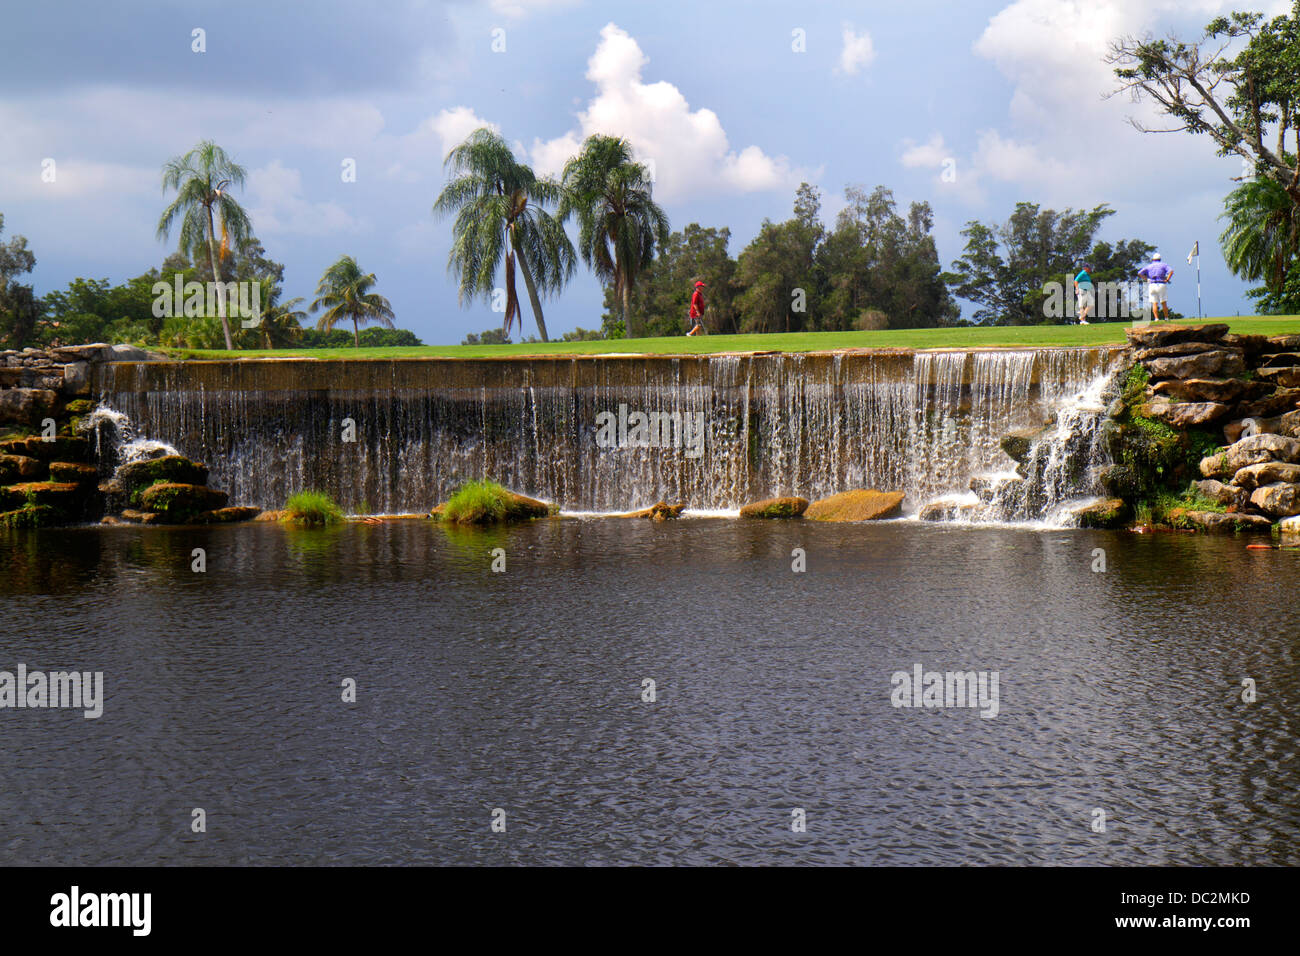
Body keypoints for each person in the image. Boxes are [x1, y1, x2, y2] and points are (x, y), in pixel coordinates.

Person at [1137, 252, 1173, 322]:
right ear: (1160, 259)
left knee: (1154, 303)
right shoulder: (1164, 265)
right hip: (1161, 284)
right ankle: (1166, 318)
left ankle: (1156, 318)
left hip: (1152, 285)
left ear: (1153, 259)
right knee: (1163, 302)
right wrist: (1167, 279)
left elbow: (1139, 273)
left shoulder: (1149, 266)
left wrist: (1146, 279)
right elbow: (1171, 271)